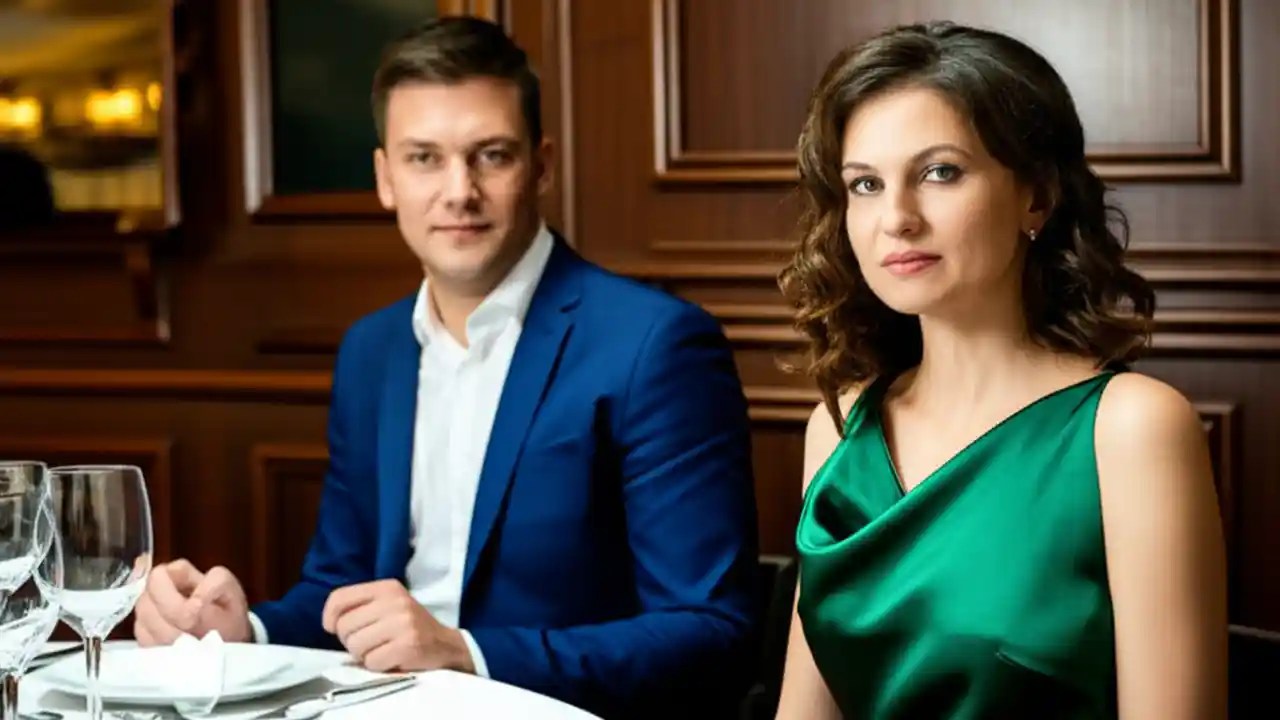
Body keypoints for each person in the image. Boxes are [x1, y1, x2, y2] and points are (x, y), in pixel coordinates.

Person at [132, 16, 759, 718]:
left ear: (542, 165)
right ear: (385, 178)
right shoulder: (371, 351)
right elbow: (341, 589)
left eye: (491, 155)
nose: (458, 190)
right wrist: (244, 632)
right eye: (424, 158)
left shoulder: (656, 346)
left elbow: (714, 635)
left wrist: (467, 654)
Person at [772, 21, 1227, 720]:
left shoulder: (1130, 429)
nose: (896, 217)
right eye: (865, 184)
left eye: (939, 172)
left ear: (1036, 197)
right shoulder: (837, 430)